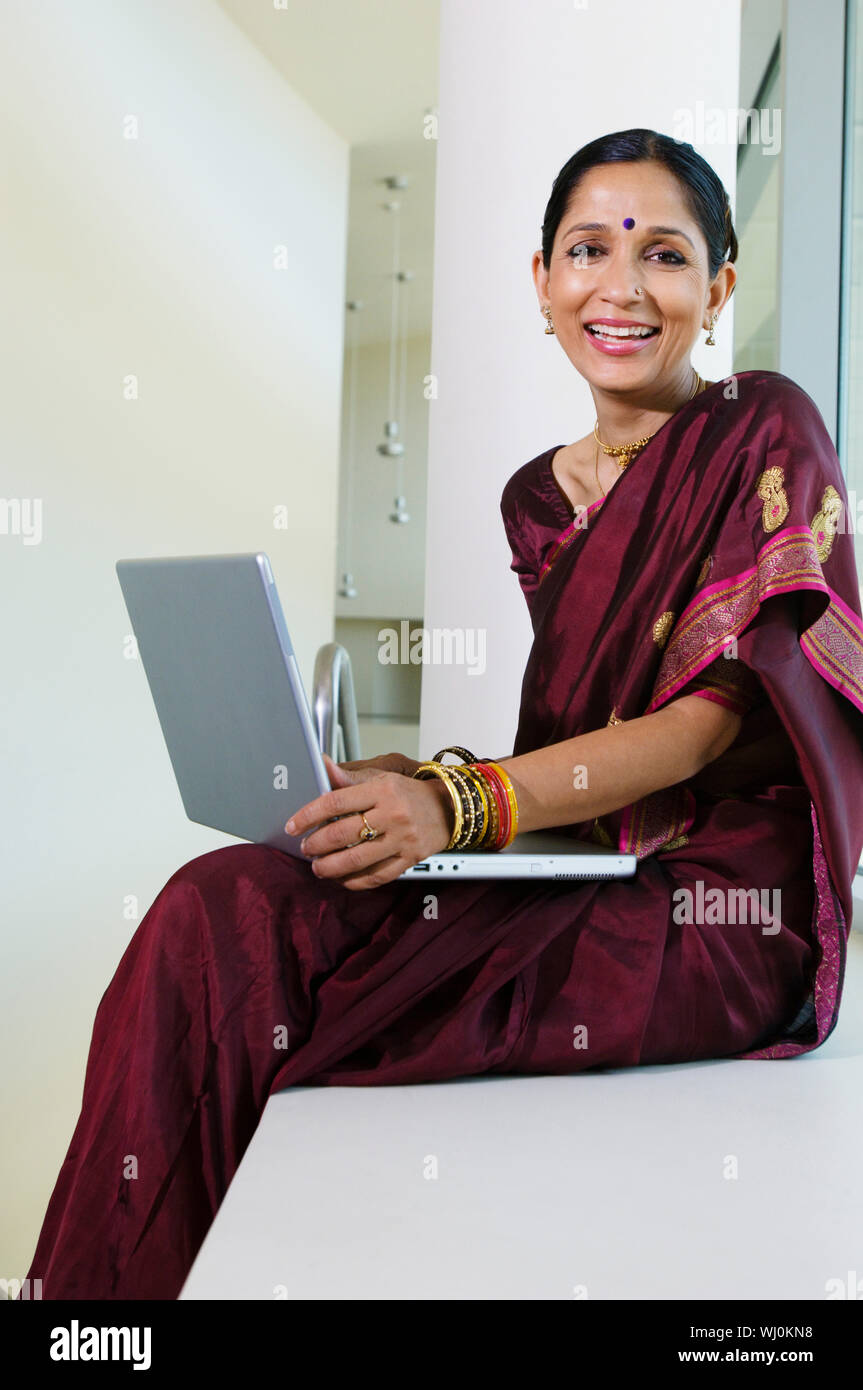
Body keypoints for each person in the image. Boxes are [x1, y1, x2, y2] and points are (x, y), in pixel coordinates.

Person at [23, 128, 863, 1300]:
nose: (619, 288)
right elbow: (583, 725)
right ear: (541, 281)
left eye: (664, 256)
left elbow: (704, 726)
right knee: (213, 911)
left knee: (308, 989)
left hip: (717, 897)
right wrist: (405, 787)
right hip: (581, 853)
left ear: (716, 287)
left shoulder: (760, 425)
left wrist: (461, 802)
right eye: (585, 250)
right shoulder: (538, 496)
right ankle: (104, 1310)